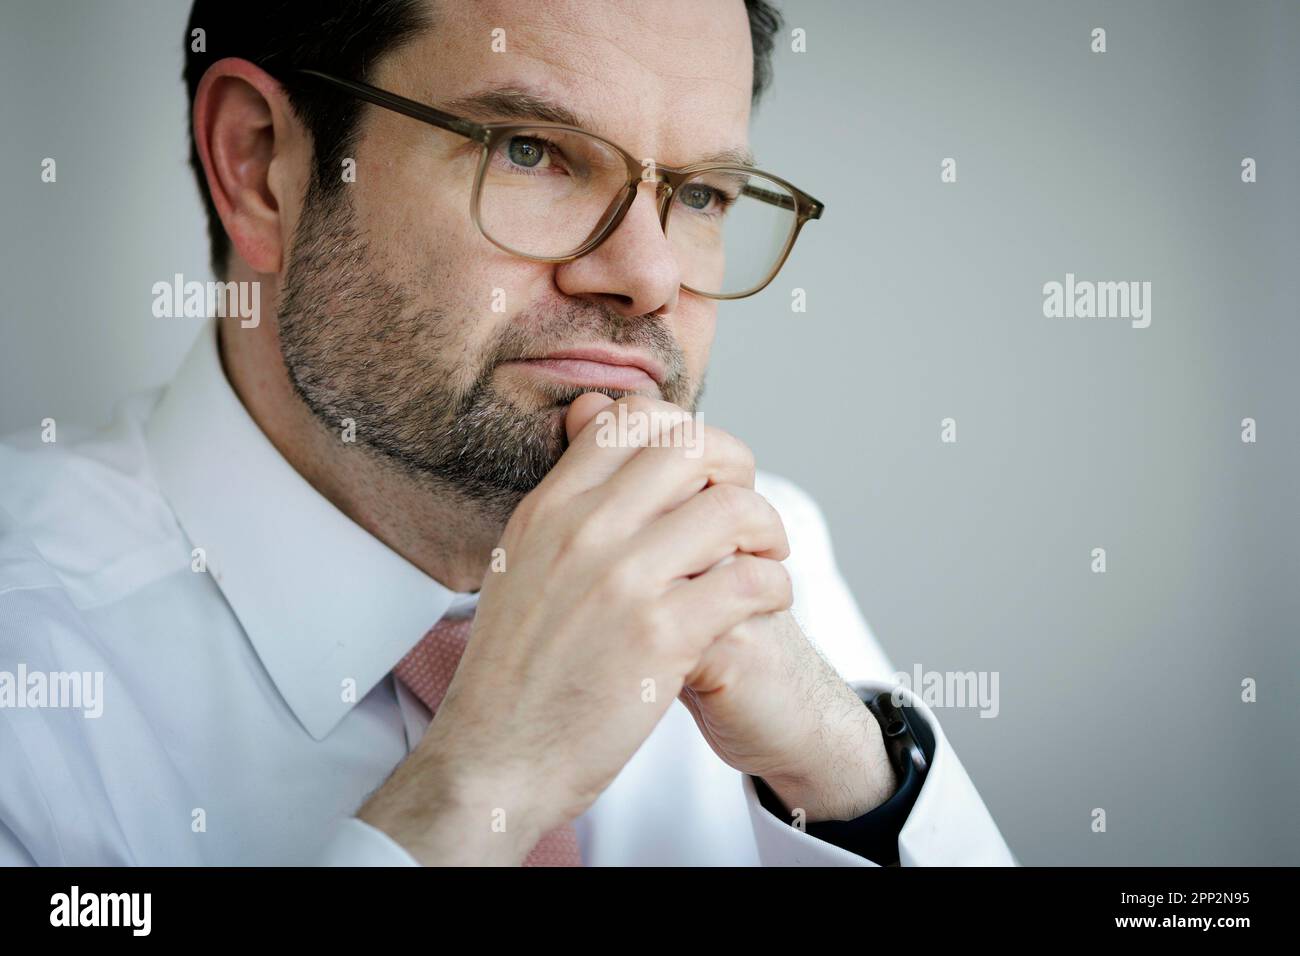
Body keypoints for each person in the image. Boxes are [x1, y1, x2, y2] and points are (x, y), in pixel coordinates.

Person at [0, 0, 1014, 866]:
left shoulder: (762, 555)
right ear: (262, 164)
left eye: (700, 194)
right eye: (532, 152)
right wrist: (478, 786)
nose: (650, 276)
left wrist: (859, 787)